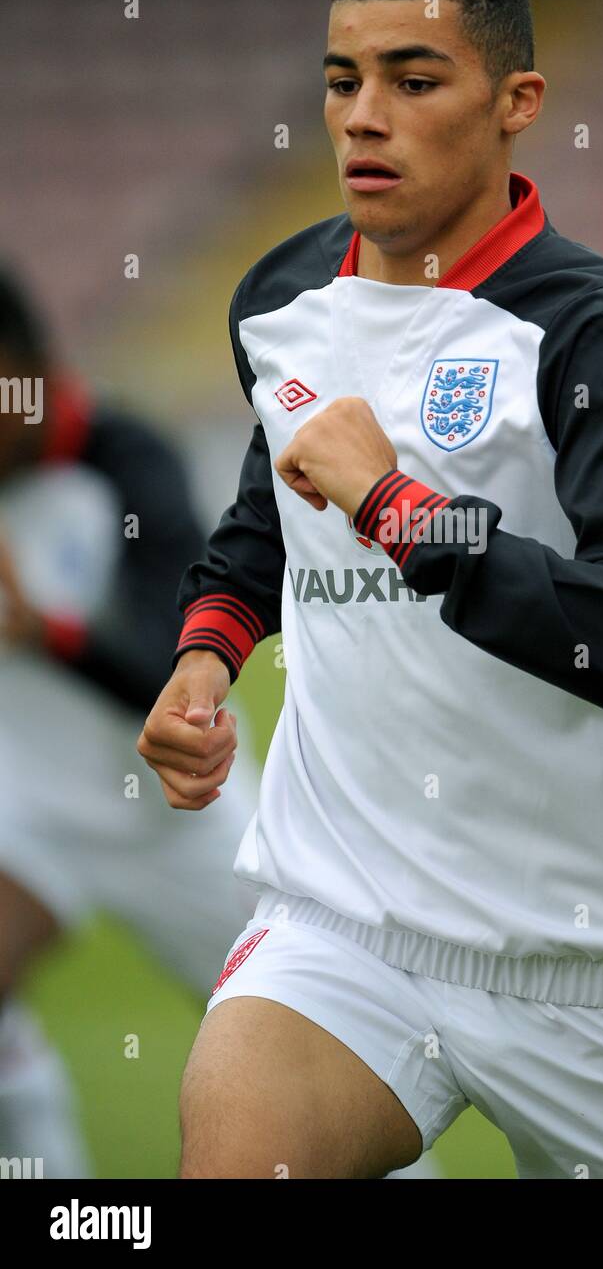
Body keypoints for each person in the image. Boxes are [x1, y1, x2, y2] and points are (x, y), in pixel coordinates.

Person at [138, 0, 603, 1180]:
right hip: (343, 928)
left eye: (413, 82)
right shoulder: (281, 301)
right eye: (339, 80)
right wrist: (209, 652)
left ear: (515, 102)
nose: (363, 115)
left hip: (591, 967)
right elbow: (273, 508)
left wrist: (403, 513)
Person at [0, 267, 260, 1177]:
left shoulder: (129, 459)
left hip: (178, 818)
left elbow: (170, 658)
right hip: (26, 817)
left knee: (306, 1049)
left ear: (31, 374)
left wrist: (46, 632)